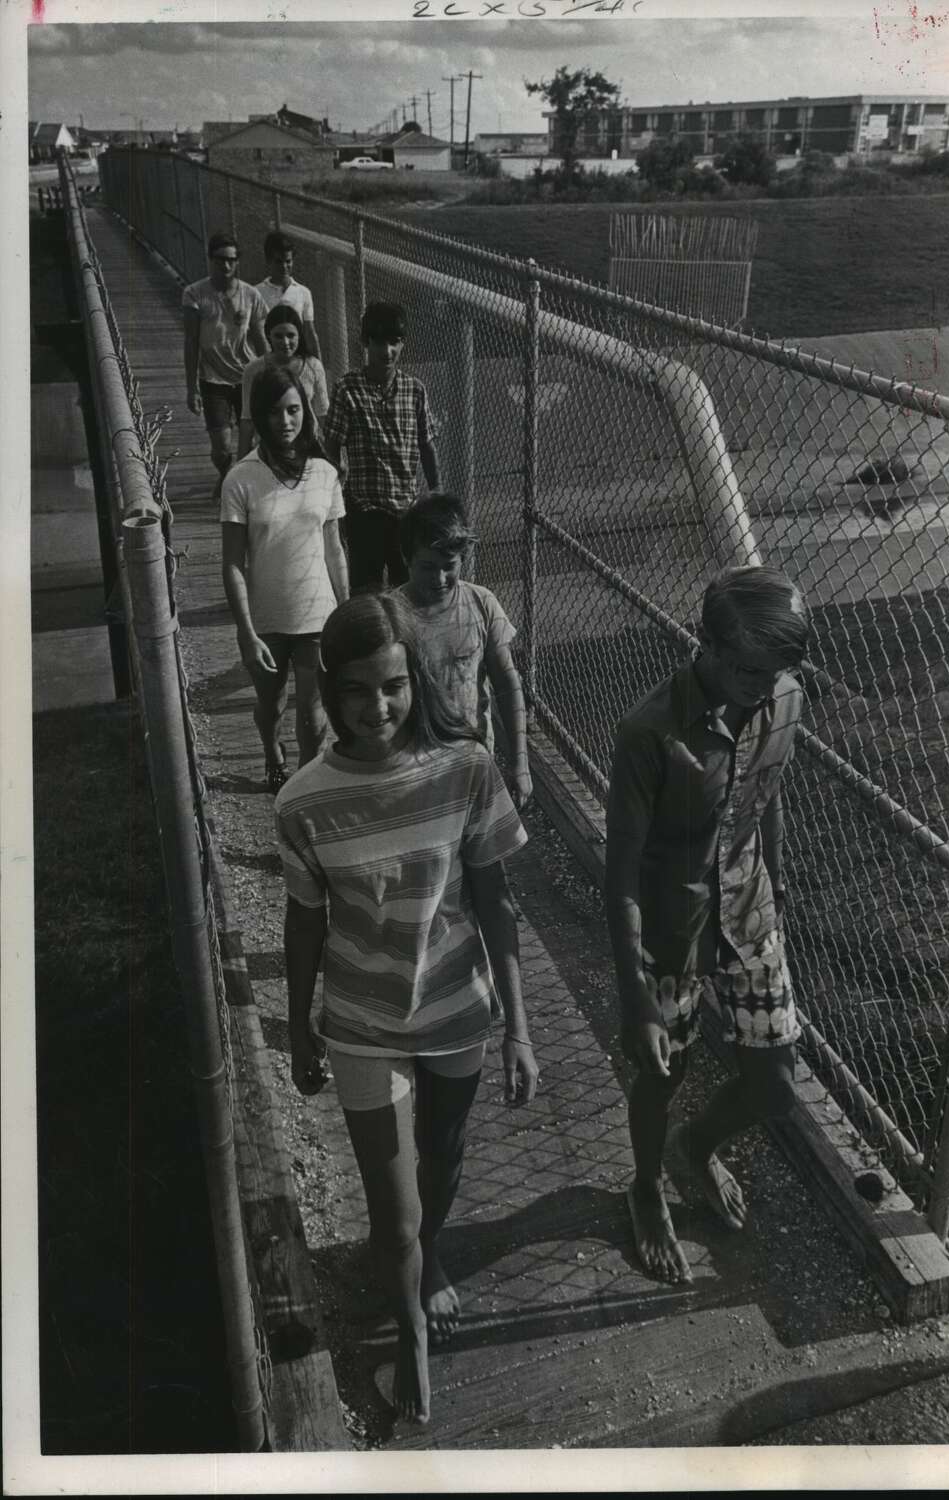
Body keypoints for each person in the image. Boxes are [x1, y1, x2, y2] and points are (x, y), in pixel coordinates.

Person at [277, 593, 538, 1426]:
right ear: (329, 690)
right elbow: (304, 920)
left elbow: (495, 901)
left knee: (444, 1154)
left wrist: (520, 1029)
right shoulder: (302, 802)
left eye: (392, 686)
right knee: (392, 1214)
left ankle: (429, 1259)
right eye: (356, 691)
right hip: (363, 1024)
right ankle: (413, 1333)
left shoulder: (466, 770)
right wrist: (299, 1024)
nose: (377, 707)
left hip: (456, 1009)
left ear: (414, 681)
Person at [604, 565, 810, 1285]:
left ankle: (694, 1146)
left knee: (776, 1085)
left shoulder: (785, 696)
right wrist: (636, 998)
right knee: (663, 1073)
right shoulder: (648, 732)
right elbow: (621, 877)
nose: (764, 686)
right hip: (672, 934)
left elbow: (766, 791)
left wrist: (776, 889)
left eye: (776, 672)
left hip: (749, 914)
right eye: (750, 671)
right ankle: (646, 1187)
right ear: (708, 645)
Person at [220, 366, 349, 791]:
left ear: (305, 411)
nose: (286, 421)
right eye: (275, 412)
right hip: (267, 620)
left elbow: (334, 549)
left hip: (318, 615)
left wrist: (345, 611)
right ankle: (272, 752)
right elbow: (233, 563)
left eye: (293, 410)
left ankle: (304, 789)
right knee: (271, 703)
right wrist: (246, 633)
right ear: (260, 415)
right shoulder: (241, 479)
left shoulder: (325, 474)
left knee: (313, 714)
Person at [393, 493, 532, 810]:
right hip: (412, 767)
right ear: (406, 558)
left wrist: (520, 763)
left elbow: (507, 684)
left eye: (449, 566)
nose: (439, 578)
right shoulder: (391, 616)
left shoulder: (482, 604)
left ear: (463, 558)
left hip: (473, 763)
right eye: (428, 567)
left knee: (480, 840)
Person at [322, 300, 440, 592]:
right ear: (366, 342)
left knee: (408, 590)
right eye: (378, 343)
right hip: (365, 510)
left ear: (403, 343)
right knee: (367, 592)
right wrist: (334, 496)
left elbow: (426, 446)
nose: (387, 351)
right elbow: (332, 447)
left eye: (394, 342)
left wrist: (436, 492)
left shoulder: (415, 390)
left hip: (406, 511)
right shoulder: (347, 388)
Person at [183, 231, 269, 498]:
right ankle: (225, 473)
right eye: (220, 259)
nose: (226, 265)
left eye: (232, 260)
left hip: (247, 377)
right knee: (221, 448)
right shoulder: (194, 294)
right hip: (213, 380)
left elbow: (260, 339)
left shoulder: (251, 295)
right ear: (210, 260)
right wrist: (191, 388)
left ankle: (241, 485)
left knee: (252, 439)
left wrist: (273, 375)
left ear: (237, 261)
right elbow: (191, 342)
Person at [237, 303, 329, 459]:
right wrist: (241, 460)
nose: (285, 342)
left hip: (306, 446)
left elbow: (322, 414)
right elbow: (247, 419)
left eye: (291, 335)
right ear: (269, 336)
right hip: (269, 448)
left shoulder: (313, 367)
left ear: (299, 335)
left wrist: (332, 456)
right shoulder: (253, 370)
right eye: (278, 336)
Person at [255, 229, 322, 360]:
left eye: (288, 261)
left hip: (296, 360)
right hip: (269, 361)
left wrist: (318, 366)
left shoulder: (303, 292)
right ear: (268, 261)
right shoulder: (256, 293)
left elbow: (309, 332)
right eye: (279, 261)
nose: (284, 266)